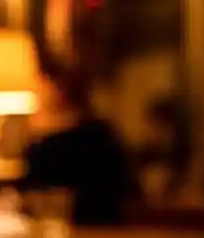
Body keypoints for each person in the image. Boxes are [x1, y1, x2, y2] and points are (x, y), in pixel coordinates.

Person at [23, 66, 133, 225]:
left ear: (58, 95)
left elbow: (33, 192)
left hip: (67, 226)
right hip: (110, 225)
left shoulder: (45, 146)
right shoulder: (105, 134)